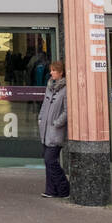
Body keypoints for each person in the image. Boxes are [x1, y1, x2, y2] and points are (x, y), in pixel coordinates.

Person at [38, 60, 70, 199]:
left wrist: (57, 123)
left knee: (50, 160)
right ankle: (50, 190)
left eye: (53, 71)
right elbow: (45, 105)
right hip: (45, 130)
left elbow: (67, 111)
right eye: (51, 70)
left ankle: (64, 189)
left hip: (55, 131)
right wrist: (40, 118)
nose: (50, 73)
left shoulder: (65, 89)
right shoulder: (49, 86)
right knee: (48, 162)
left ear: (61, 72)